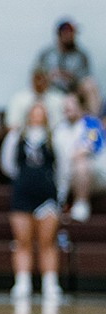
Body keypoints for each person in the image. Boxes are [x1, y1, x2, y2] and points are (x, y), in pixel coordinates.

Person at [0, 103, 62, 303]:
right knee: (22, 241)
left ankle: (50, 284)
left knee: (47, 241)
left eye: (40, 113)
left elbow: (63, 168)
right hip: (22, 194)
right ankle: (22, 283)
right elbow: (7, 165)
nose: (36, 116)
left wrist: (59, 193)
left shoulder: (54, 138)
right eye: (33, 113)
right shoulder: (16, 137)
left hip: (46, 196)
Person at [51, 93, 106, 222]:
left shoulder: (91, 124)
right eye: (66, 107)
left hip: (95, 174)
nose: (68, 109)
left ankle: (81, 203)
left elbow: (83, 150)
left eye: (72, 105)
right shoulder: (59, 129)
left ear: (81, 107)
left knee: (80, 162)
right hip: (66, 173)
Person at [35, 18, 99, 114]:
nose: (70, 36)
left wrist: (67, 76)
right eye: (67, 33)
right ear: (59, 35)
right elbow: (37, 74)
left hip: (72, 91)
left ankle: (93, 121)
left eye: (72, 33)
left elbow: (84, 78)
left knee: (90, 85)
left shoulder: (80, 55)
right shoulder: (47, 54)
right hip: (50, 90)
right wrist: (50, 77)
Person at [5, 67, 63, 132]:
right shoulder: (18, 99)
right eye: (37, 79)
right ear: (31, 80)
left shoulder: (58, 100)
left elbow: (61, 125)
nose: (40, 83)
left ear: (48, 80)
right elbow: (11, 125)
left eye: (43, 79)